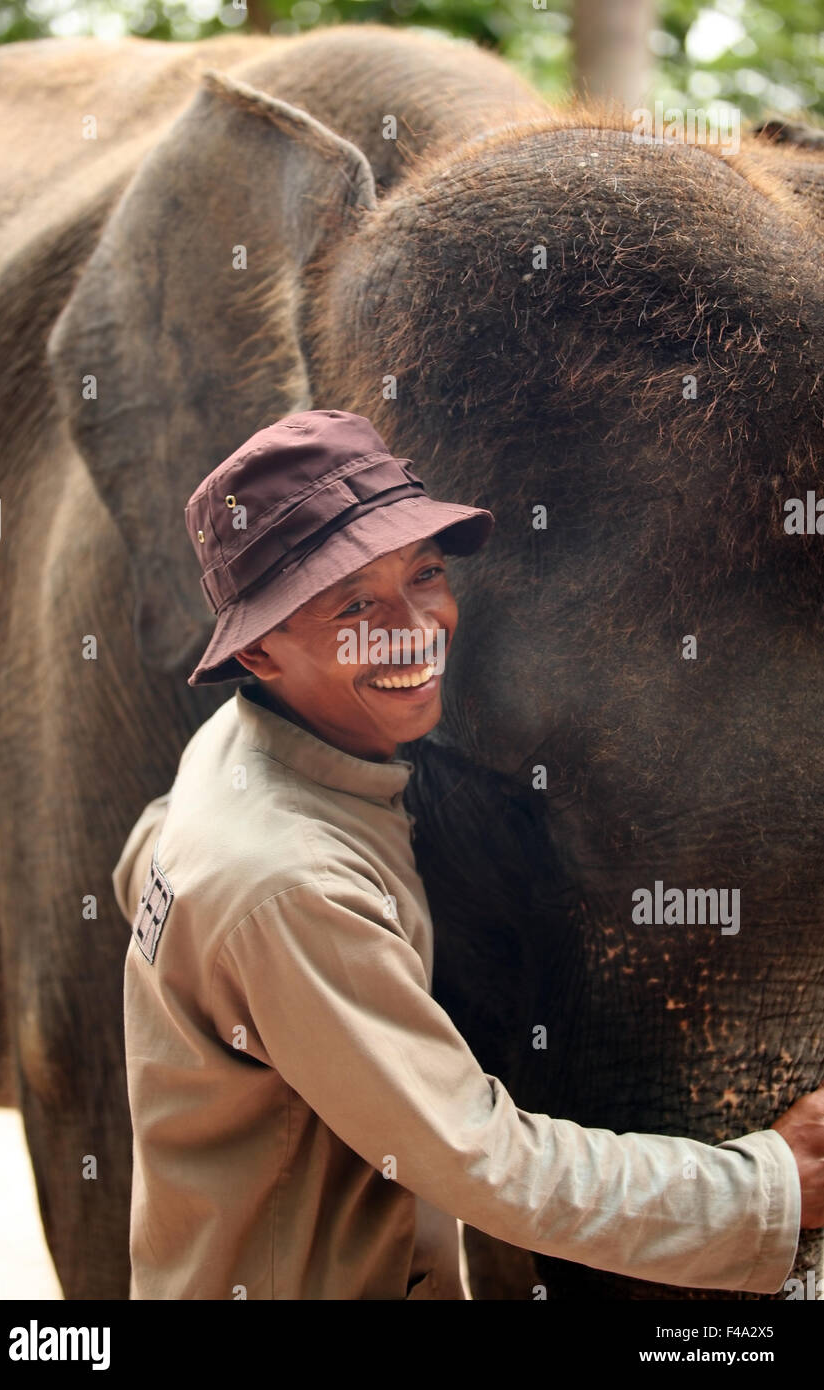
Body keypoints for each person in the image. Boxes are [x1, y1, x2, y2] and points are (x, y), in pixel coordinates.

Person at [113, 408, 823, 1301]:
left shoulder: (233, 751)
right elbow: (484, 1162)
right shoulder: (289, 886)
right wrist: (769, 1190)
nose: (415, 628)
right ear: (257, 649)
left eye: (426, 574)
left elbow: (140, 858)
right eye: (354, 605)